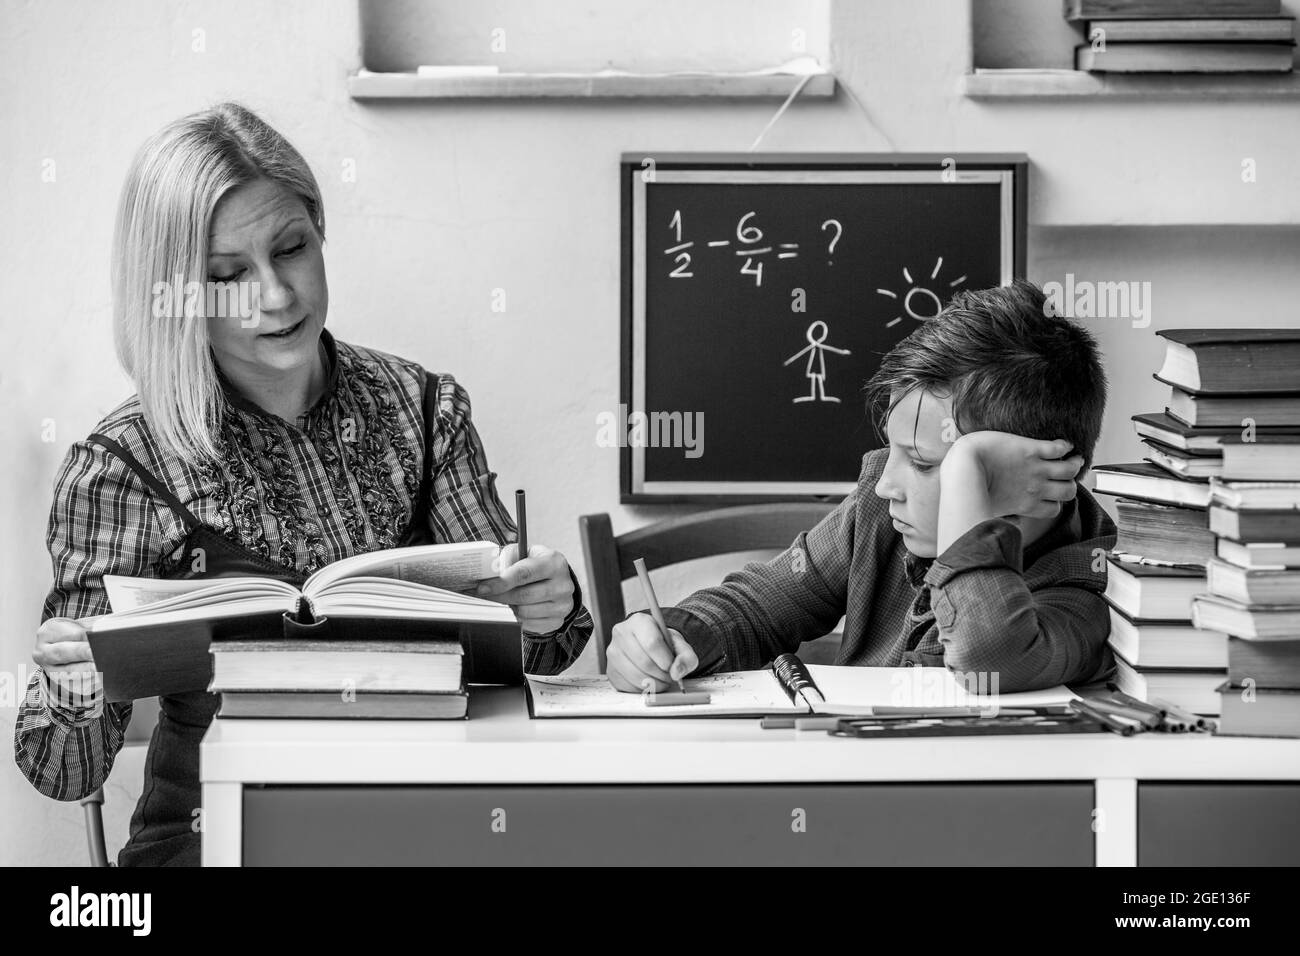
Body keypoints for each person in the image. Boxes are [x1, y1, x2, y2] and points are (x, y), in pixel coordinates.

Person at [14, 103, 592, 866]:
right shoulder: (121, 468)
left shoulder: (423, 409)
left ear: (321, 233)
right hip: (217, 836)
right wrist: (74, 686)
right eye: (227, 276)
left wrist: (547, 606)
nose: (276, 297)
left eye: (291, 249)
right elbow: (66, 773)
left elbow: (540, 659)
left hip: (424, 819)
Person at [606, 280, 1117, 695]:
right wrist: (676, 634)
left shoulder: (1095, 583)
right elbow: (762, 604)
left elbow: (990, 655)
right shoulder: (878, 517)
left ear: (1039, 474)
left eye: (922, 462)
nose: (885, 486)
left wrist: (967, 473)